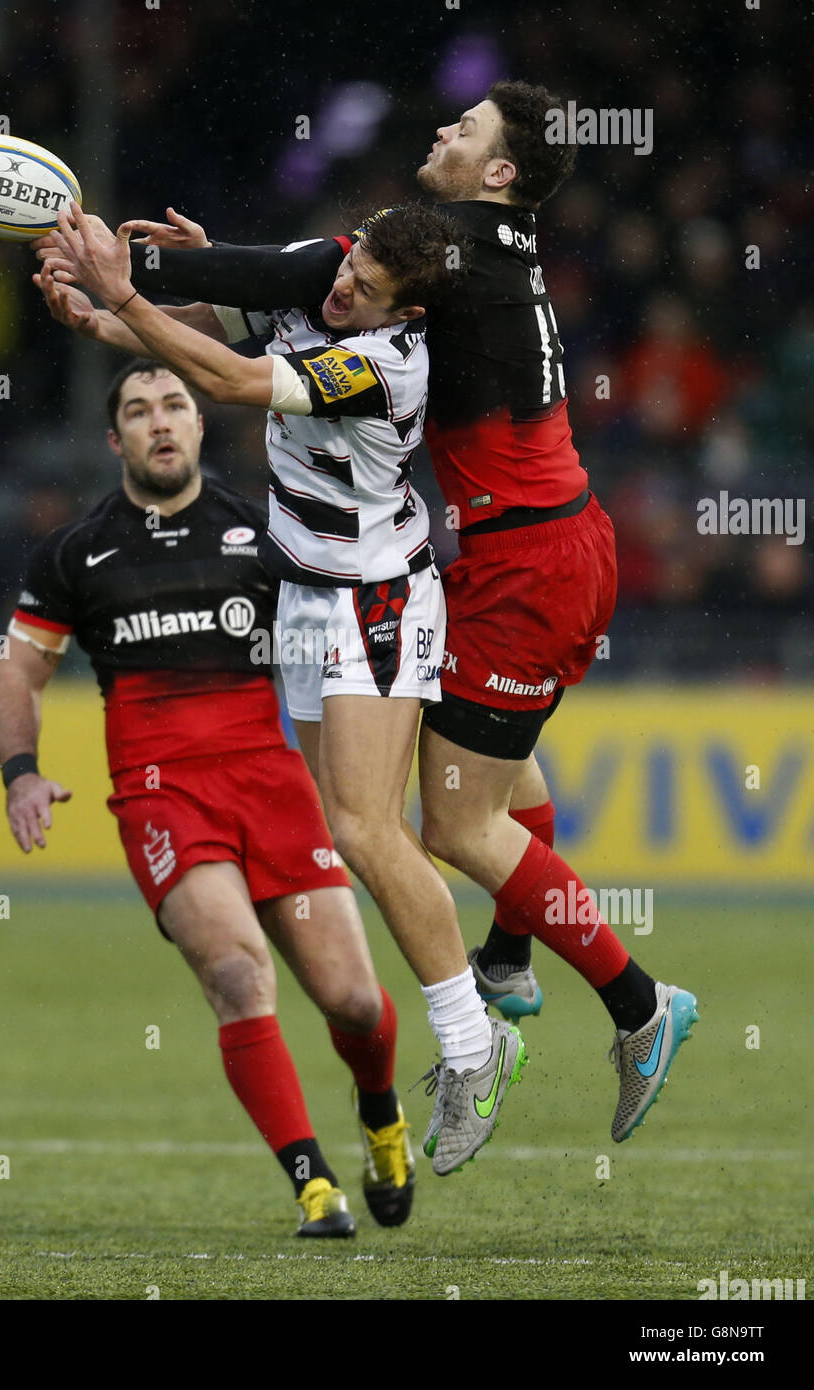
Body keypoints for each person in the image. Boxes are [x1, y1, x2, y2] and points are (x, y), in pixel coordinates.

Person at [39, 79, 698, 1146]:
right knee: (472, 784)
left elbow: (255, 339)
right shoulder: (435, 261)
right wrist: (117, 315)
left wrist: (126, 277)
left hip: (489, 570)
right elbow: (268, 304)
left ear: (494, 176)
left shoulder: (417, 304)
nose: (441, 127)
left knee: (421, 821)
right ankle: (508, 964)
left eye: (465, 127)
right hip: (489, 556)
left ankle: (606, 1010)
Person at [38, 201, 528, 1177]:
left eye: (366, 294)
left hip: (375, 598)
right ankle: (442, 1019)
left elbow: (223, 379)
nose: (342, 292)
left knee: (362, 828)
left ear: (408, 314)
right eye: (348, 272)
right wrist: (104, 319)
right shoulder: (331, 276)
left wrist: (124, 287)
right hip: (305, 595)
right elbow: (223, 324)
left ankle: (473, 1042)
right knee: (338, 823)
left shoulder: (380, 365)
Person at [0, 357, 417, 1236]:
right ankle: (312, 1185)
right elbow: (19, 674)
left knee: (356, 1004)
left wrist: (364, 780)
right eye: (139, 411)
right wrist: (20, 771)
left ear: (196, 423)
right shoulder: (76, 553)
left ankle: (380, 1113)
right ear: (116, 439)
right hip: (161, 795)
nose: (160, 421)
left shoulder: (263, 535)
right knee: (233, 971)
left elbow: (333, 659)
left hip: (271, 782)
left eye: (174, 404)